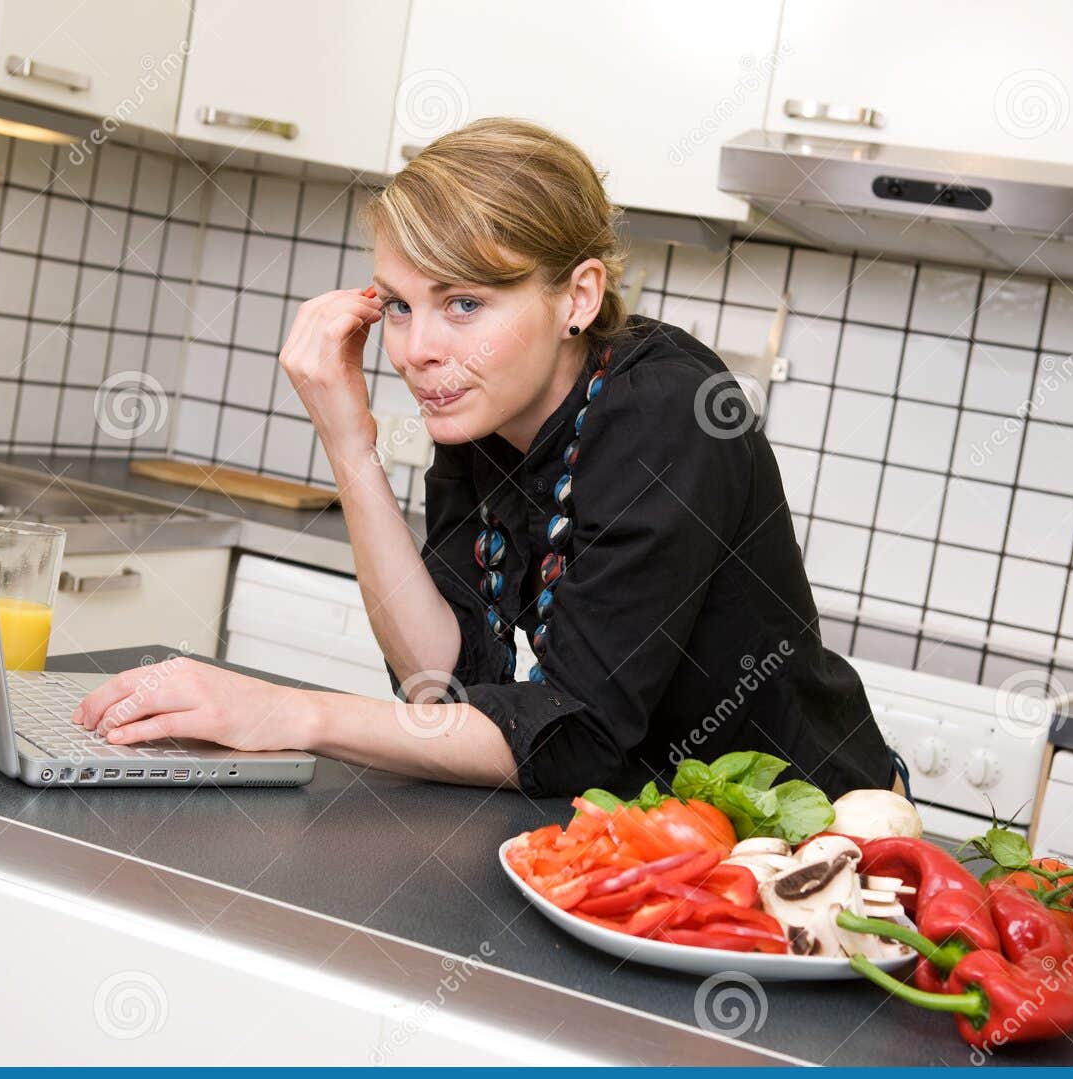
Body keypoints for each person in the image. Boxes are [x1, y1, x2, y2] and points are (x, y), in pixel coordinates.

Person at [72, 117, 898, 798]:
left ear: (577, 297)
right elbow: (444, 681)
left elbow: (573, 738)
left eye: (464, 302)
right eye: (398, 305)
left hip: (808, 827)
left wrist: (289, 714)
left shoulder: (667, 413)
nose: (416, 350)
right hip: (661, 833)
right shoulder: (483, 413)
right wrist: (349, 443)